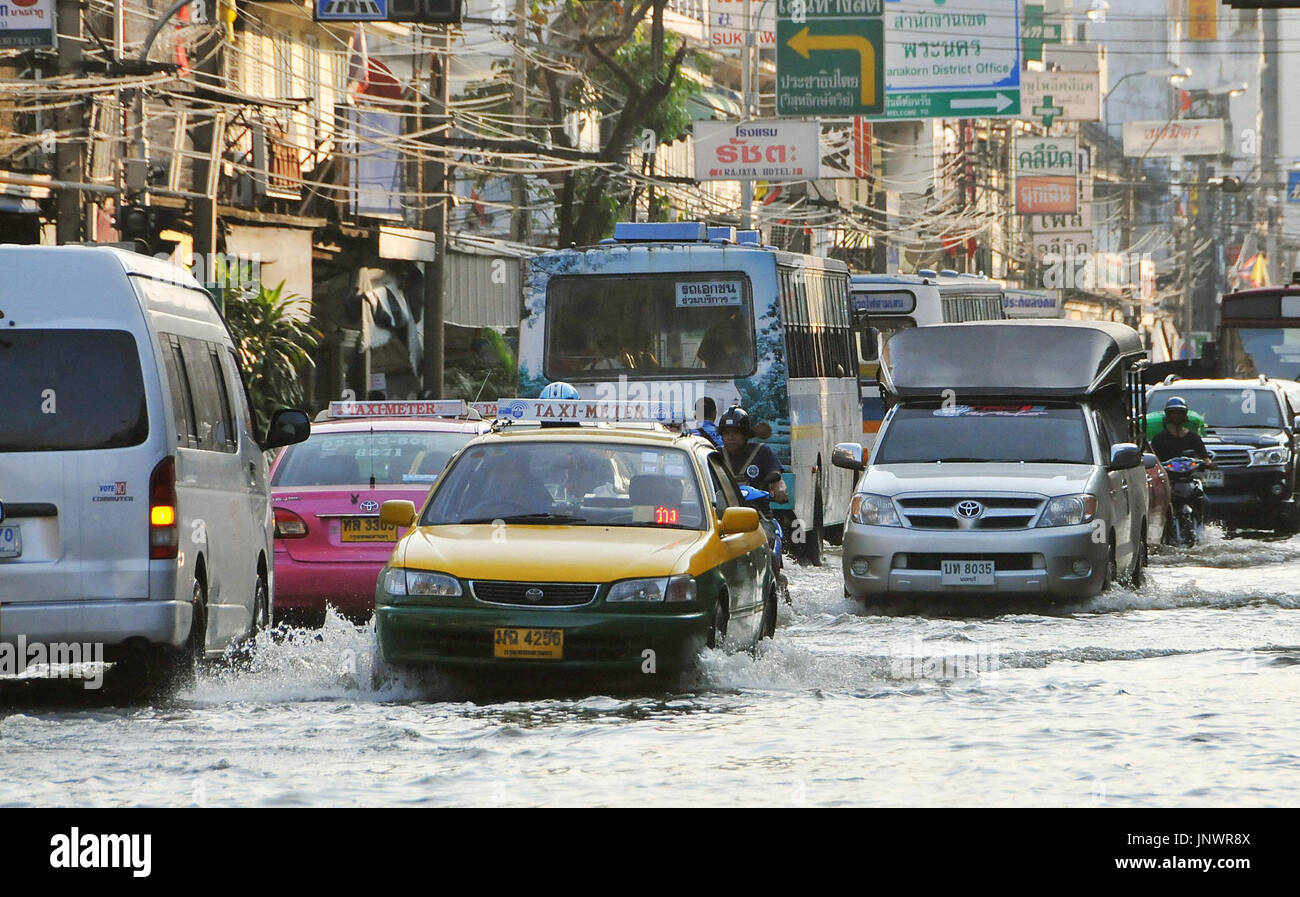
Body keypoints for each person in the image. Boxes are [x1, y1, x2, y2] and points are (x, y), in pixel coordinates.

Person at [717, 405, 787, 504]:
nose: (730, 437)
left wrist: (779, 488)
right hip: (724, 514)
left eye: (736, 432)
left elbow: (776, 476)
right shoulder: (716, 456)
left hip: (759, 513)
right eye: (726, 433)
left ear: (746, 434)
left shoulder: (762, 451)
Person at [1152, 396, 1213, 462]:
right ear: (1168, 415)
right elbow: (1154, 461)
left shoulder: (1193, 437)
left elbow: (1204, 457)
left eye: (1179, 413)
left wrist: (1208, 464)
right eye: (1173, 413)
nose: (1176, 416)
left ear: (1185, 415)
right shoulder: (1159, 439)